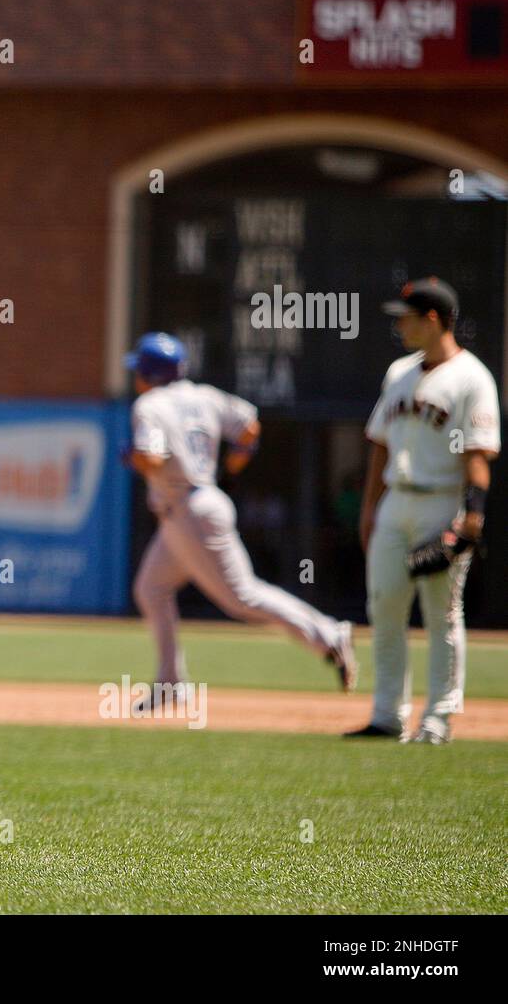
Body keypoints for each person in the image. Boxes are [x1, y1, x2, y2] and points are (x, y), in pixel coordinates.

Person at [125, 332, 356, 710]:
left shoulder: (150, 404)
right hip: (193, 507)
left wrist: (134, 457)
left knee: (242, 597)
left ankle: (329, 635)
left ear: (149, 372)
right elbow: (250, 424)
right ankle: (171, 682)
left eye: (138, 368)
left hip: (189, 511)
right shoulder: (206, 396)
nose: (135, 376)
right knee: (151, 588)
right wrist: (236, 461)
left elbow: (150, 459)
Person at [347, 278, 500, 744]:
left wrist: (472, 517)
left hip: (442, 501)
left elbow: (478, 454)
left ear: (432, 319)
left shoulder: (473, 378)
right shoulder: (398, 373)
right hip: (397, 499)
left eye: (406, 317)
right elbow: (378, 444)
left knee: (442, 613)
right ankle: (386, 715)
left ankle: (437, 718)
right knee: (385, 606)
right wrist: (370, 509)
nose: (400, 325)